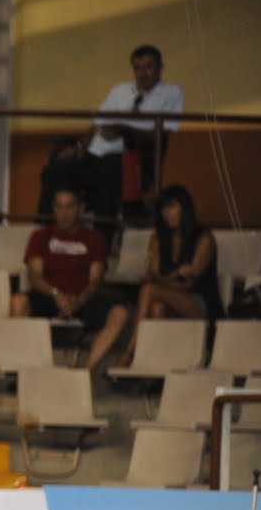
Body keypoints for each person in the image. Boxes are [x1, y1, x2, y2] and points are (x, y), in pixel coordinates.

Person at [38, 45, 183, 229]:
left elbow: (162, 133)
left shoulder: (171, 92)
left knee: (110, 166)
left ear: (160, 67)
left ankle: (102, 235)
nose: (143, 74)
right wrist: (79, 147)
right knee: (58, 167)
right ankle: (42, 229)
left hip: (132, 158)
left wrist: (123, 129)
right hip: (94, 155)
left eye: (149, 67)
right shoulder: (120, 90)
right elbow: (98, 123)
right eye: (138, 68)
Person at [105, 183, 223, 370]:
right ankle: (155, 364)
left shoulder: (204, 238)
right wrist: (171, 277)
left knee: (150, 290)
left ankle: (130, 352)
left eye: (172, 207)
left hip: (199, 302)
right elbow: (156, 272)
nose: (167, 214)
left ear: (185, 208)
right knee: (157, 306)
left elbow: (188, 283)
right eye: (163, 209)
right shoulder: (158, 238)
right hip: (167, 297)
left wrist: (161, 281)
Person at [13, 189, 130, 371]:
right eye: (59, 207)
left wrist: (80, 300)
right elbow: (35, 276)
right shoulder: (40, 237)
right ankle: (24, 368)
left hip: (83, 298)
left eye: (69, 207)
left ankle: (86, 372)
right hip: (49, 295)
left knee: (120, 313)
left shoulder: (94, 239)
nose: (64, 213)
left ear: (80, 208)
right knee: (18, 302)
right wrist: (56, 294)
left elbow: (95, 280)